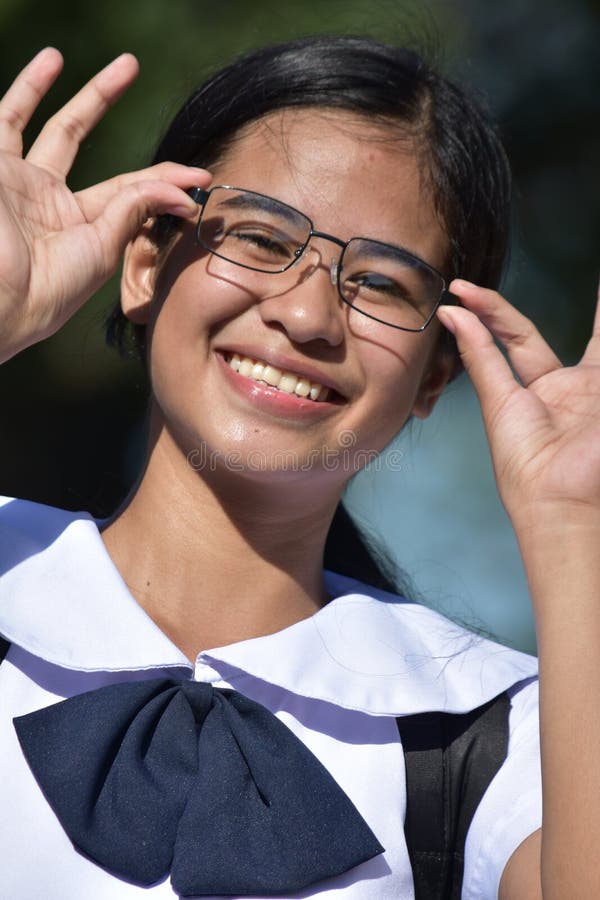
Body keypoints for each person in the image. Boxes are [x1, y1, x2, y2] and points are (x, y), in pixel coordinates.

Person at [0, 35, 598, 900]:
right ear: (142, 263)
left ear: (435, 373)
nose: (310, 313)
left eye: (386, 284)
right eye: (259, 235)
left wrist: (575, 524)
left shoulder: (487, 731)